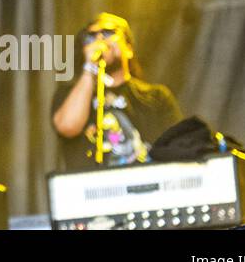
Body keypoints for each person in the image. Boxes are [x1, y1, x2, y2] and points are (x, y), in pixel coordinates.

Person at [50, 12, 182, 172]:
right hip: (92, 185)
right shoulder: (70, 94)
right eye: (91, 37)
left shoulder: (156, 97)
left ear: (129, 48)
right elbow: (68, 126)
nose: (99, 39)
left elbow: (178, 150)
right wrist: (89, 68)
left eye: (108, 33)